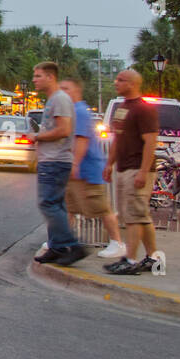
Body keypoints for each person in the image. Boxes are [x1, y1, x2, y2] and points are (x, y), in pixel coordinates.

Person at [103, 69, 164, 275]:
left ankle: (130, 259)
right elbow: (117, 138)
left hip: (138, 169)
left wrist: (143, 172)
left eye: (121, 80)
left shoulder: (144, 109)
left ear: (132, 83)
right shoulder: (122, 107)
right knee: (139, 215)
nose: (116, 82)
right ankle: (154, 258)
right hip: (124, 167)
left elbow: (150, 142)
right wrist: (110, 163)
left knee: (133, 217)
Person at [59, 78, 124, 258]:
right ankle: (60, 242)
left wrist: (75, 163)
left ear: (76, 91)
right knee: (68, 208)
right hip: (78, 171)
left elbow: (82, 139)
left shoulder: (79, 112)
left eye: (66, 88)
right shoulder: (72, 111)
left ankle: (116, 242)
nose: (62, 92)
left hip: (88, 171)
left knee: (102, 208)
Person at [29, 61, 85, 266]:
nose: (34, 80)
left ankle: (73, 245)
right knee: (56, 204)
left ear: (50, 77)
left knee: (49, 204)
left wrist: (38, 137)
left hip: (55, 160)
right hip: (51, 160)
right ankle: (56, 248)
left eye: (38, 76)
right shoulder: (54, 99)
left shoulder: (60, 99)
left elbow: (63, 130)